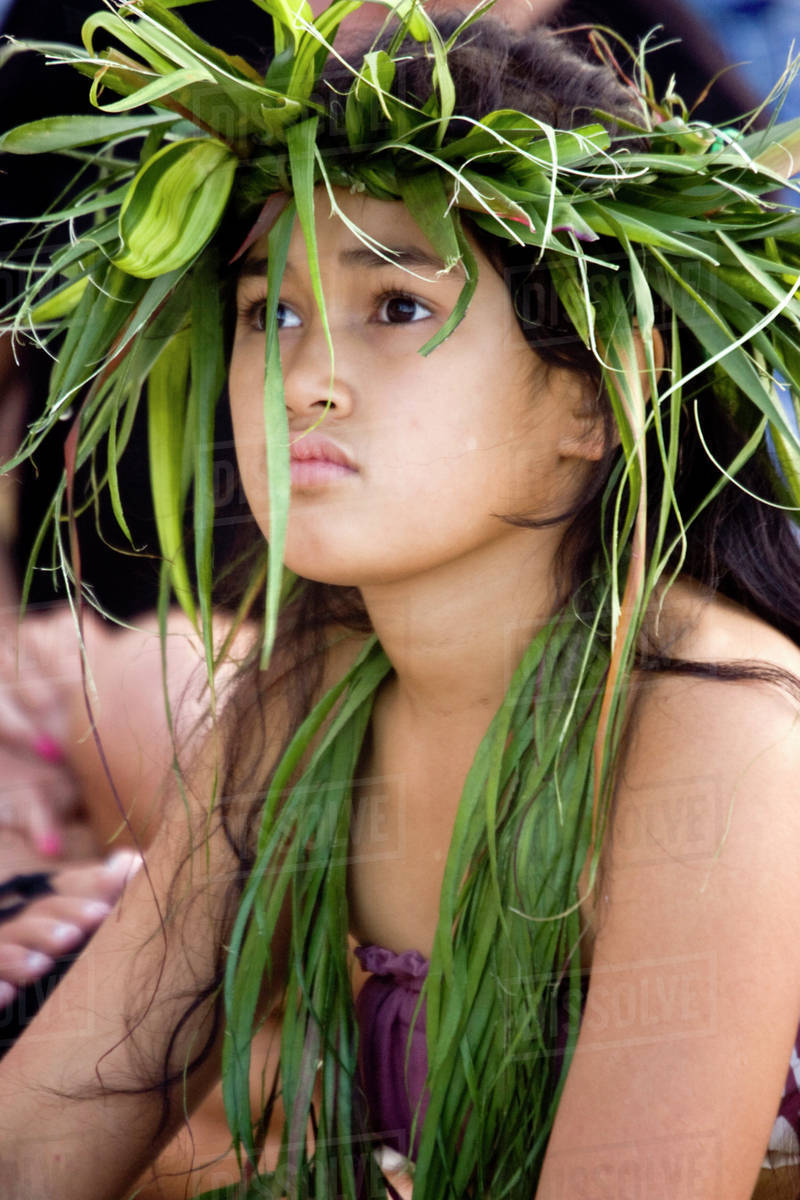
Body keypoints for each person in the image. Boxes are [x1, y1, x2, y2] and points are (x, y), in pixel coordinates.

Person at [0, 2, 800, 1198]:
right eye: (268, 313)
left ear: (594, 395)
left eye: (397, 308)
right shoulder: (310, 692)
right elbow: (50, 1126)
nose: (303, 381)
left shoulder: (715, 735)